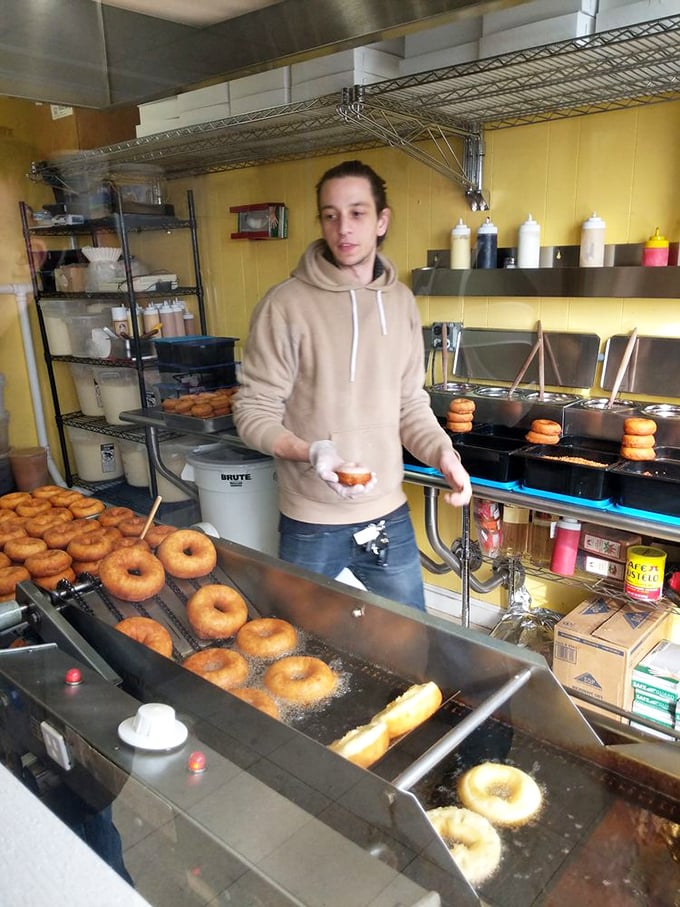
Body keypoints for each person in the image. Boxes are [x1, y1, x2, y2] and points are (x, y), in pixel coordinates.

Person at [232, 159, 471, 610]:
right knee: (296, 645)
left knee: (411, 639)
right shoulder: (285, 305)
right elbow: (252, 412)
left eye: (358, 213)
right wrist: (311, 451)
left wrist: (444, 455)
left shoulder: (400, 303)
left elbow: (410, 405)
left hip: (388, 517)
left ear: (382, 221)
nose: (343, 228)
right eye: (330, 214)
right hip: (310, 520)